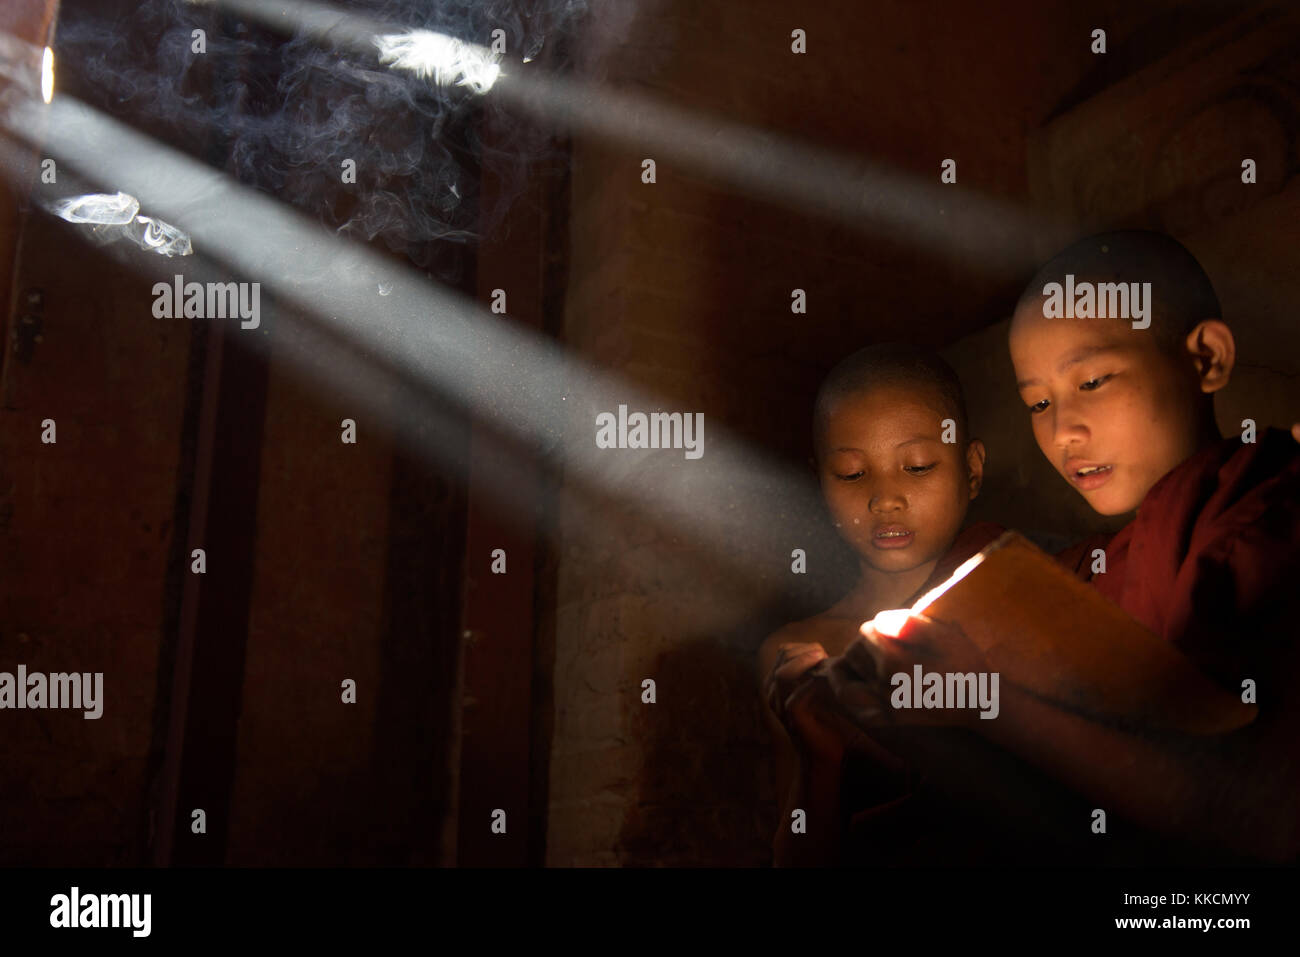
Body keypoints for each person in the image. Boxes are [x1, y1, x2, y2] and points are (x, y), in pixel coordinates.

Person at [831, 231, 1300, 864]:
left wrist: (987, 700)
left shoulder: (1265, 508)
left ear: (1207, 358)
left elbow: (1244, 801)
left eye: (1094, 381)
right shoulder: (1086, 568)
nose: (1063, 430)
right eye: (1040, 402)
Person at [756, 343, 996, 866]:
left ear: (972, 471)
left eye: (917, 466)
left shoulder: (1008, 599)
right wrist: (819, 756)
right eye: (851, 473)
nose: (885, 498)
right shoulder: (801, 653)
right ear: (820, 483)